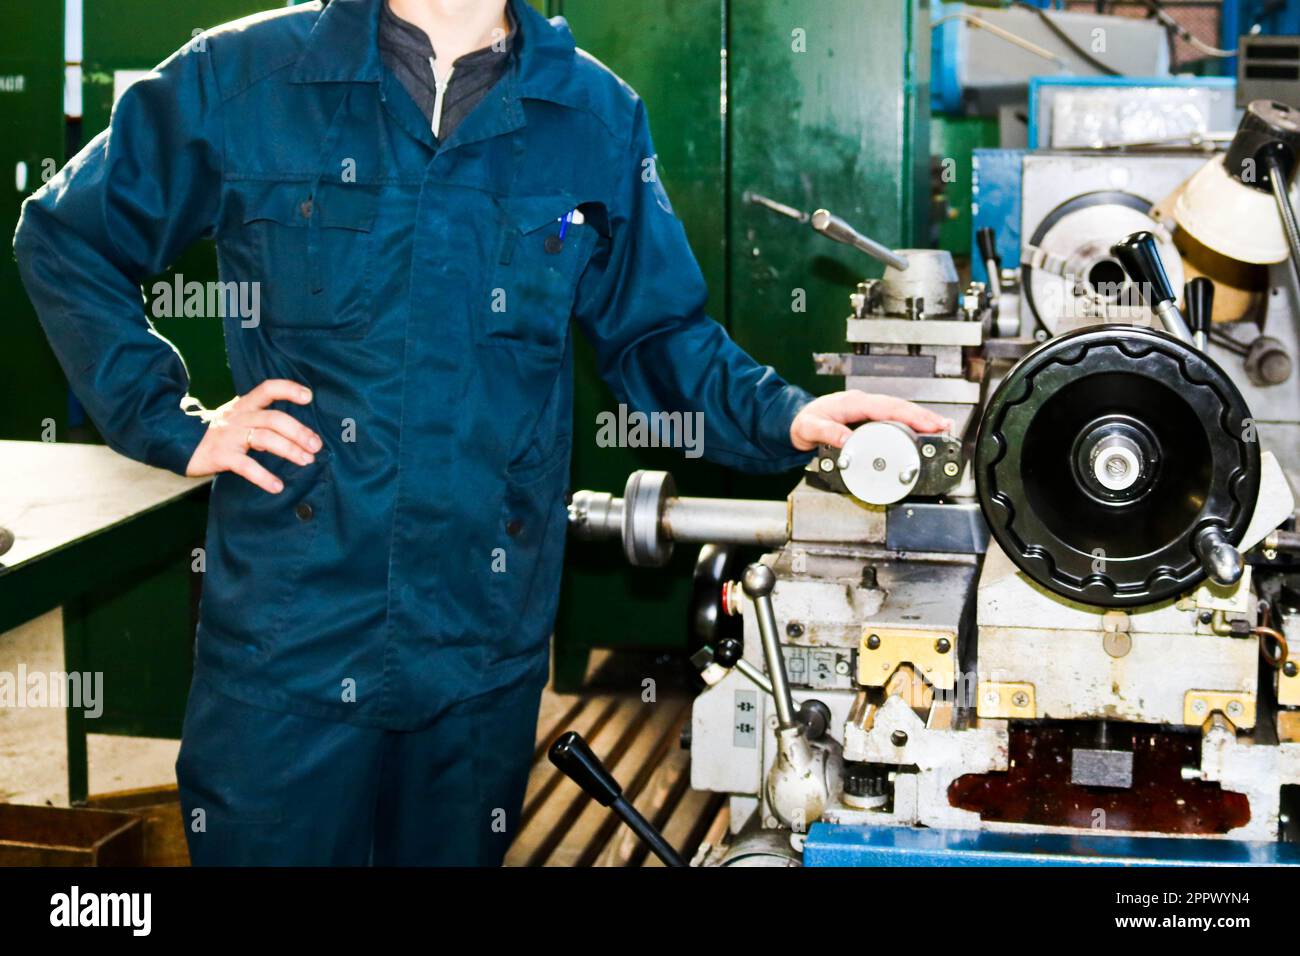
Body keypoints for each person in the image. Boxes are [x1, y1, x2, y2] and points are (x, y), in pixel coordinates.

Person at [13, 0, 948, 865]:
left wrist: (787, 415)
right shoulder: (244, 79)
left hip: (479, 640)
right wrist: (171, 420)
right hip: (292, 636)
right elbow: (66, 236)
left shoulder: (590, 114)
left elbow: (655, 333)